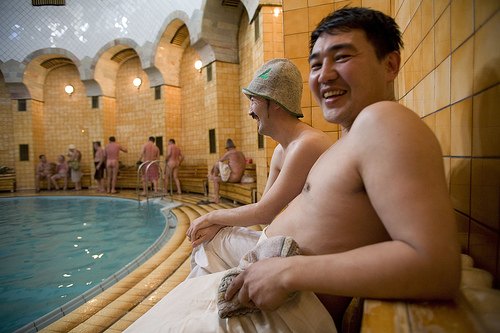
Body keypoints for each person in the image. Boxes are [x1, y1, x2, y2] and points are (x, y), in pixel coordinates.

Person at [125, 7, 461, 333]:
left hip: (285, 307)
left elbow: (437, 267)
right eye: (316, 64)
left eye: (341, 57)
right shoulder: (351, 139)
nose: (324, 74)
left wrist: (289, 272)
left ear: (390, 64)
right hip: (268, 286)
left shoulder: (384, 121)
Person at [186, 58, 334, 278]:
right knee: (211, 244)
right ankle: (214, 306)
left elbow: (265, 211)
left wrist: (211, 217)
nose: (249, 111)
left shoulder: (306, 144)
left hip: (304, 255)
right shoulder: (280, 151)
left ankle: (205, 308)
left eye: (253, 100)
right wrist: (217, 223)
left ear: (274, 102)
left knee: (210, 246)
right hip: (277, 242)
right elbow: (263, 211)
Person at [207, 138, 246, 203]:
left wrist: (211, 172)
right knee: (220, 167)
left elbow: (218, 162)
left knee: (216, 174)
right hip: (240, 178)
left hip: (234, 178)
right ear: (234, 147)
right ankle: (213, 176)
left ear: (227, 148)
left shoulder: (229, 153)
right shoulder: (241, 153)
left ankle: (216, 198)